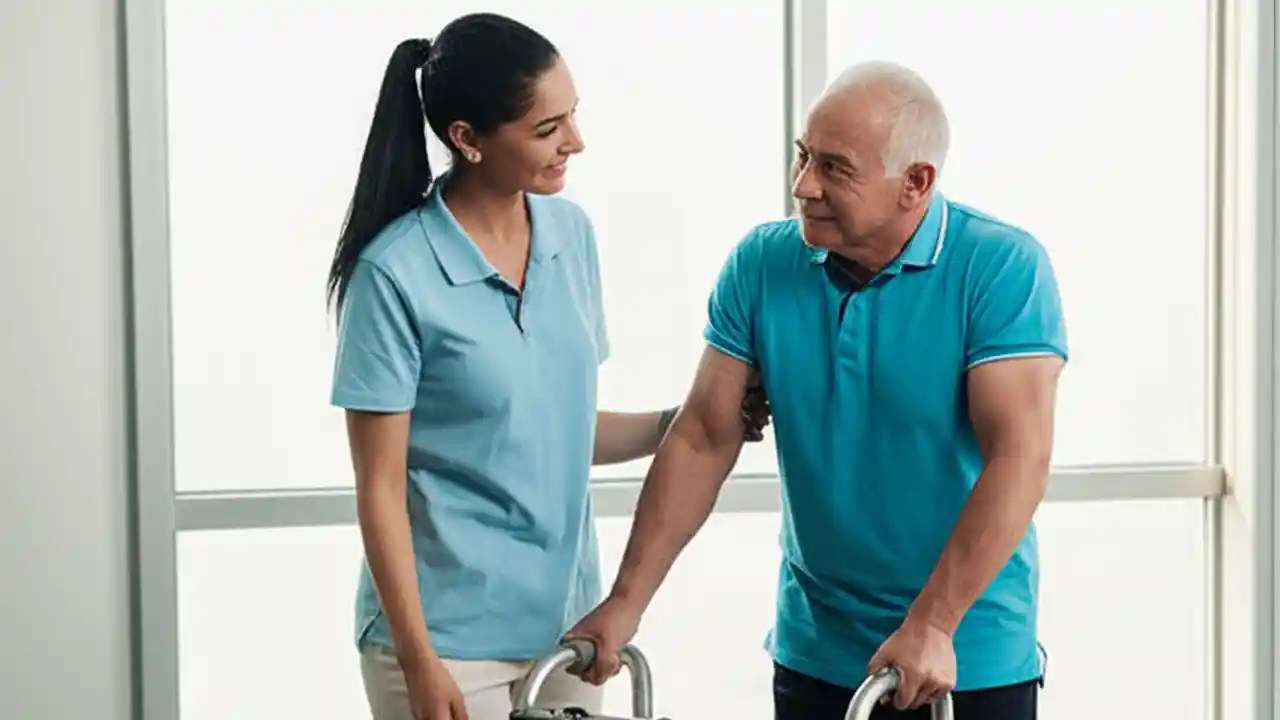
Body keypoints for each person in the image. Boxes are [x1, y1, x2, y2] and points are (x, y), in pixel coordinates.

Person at [565, 60, 1068, 720]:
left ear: (915, 183)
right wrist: (626, 603)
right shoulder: (763, 263)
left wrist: (935, 623)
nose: (803, 186)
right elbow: (703, 435)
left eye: (835, 169)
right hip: (816, 653)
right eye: (803, 158)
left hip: (964, 654)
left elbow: (1018, 458)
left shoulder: (1000, 267)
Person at [326, 13, 770, 720]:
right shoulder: (395, 274)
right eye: (546, 129)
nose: (576, 142)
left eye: (573, 116)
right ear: (466, 139)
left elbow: (559, 430)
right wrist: (418, 659)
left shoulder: (571, 236)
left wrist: (687, 423)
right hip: (445, 641)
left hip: (565, 627)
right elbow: (379, 488)